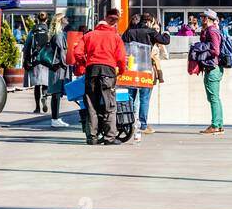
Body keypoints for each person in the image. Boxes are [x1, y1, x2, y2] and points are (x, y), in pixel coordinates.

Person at [75, 14, 127, 145]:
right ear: (109, 25)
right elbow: (121, 57)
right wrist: (121, 70)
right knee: (110, 105)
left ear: (97, 25)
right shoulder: (115, 37)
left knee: (91, 105)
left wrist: (86, 61)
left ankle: (92, 137)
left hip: (92, 70)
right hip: (108, 71)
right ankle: (110, 137)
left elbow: (77, 52)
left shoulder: (88, 35)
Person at [122, 11, 170, 140]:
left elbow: (122, 46)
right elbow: (165, 41)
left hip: (131, 68)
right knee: (144, 98)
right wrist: (166, 33)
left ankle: (129, 122)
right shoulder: (151, 32)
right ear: (149, 22)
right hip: (146, 70)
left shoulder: (130, 32)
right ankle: (143, 124)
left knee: (131, 97)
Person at [196, 9, 226, 135]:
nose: (200, 20)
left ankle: (215, 125)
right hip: (214, 68)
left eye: (203, 18)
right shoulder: (210, 31)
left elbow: (216, 51)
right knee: (214, 98)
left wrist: (200, 51)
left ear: (207, 19)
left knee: (213, 98)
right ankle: (218, 124)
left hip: (212, 68)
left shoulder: (212, 31)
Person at [23, 14, 54, 114]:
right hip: (46, 59)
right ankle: (44, 97)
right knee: (45, 83)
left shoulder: (33, 31)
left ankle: (37, 107)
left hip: (35, 59)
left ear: (37, 19)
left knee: (36, 85)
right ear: (47, 19)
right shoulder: (49, 31)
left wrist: (26, 60)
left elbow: (27, 46)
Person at [45, 12, 71, 129]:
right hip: (58, 68)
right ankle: (54, 119)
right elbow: (62, 54)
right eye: (65, 18)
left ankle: (55, 118)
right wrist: (68, 64)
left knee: (57, 94)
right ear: (60, 21)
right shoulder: (59, 35)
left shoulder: (57, 34)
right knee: (56, 94)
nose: (67, 19)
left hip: (55, 67)